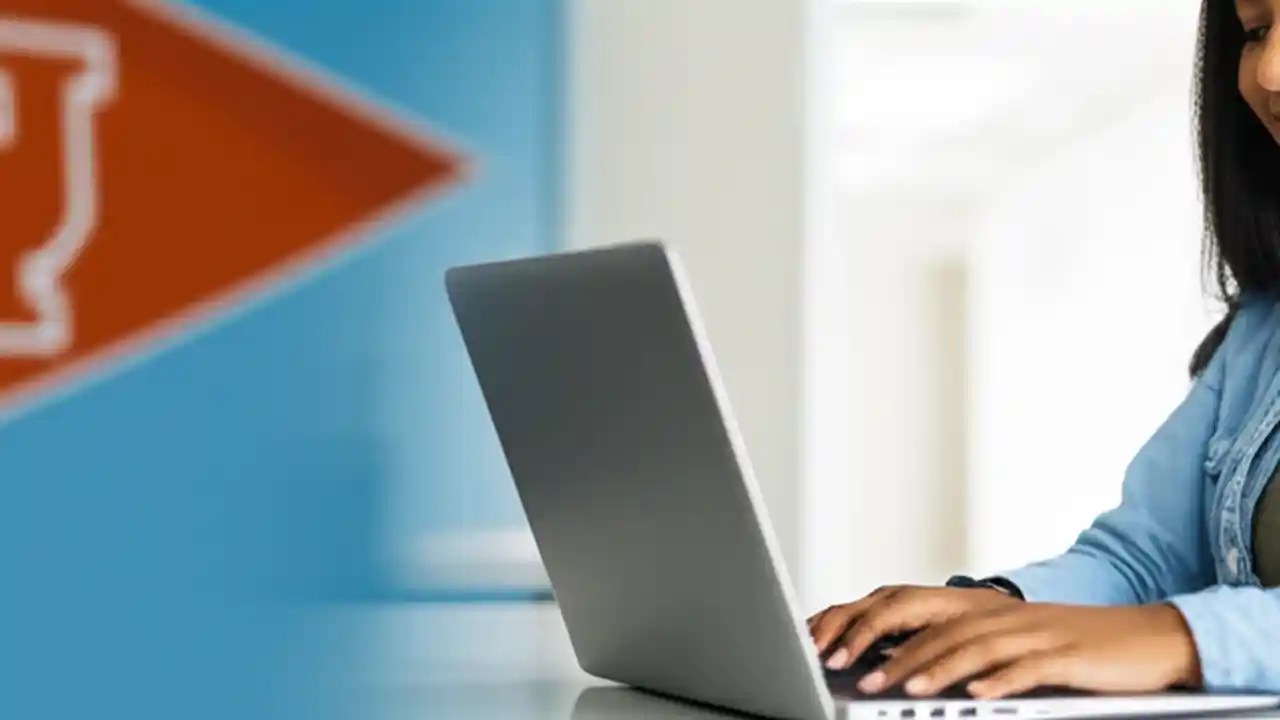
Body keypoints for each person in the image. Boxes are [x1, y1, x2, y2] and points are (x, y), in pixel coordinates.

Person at [808, 0, 1280, 699]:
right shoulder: (1263, 331)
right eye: (1255, 31)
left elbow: (1164, 615)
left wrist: (1181, 639)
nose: (1268, 71)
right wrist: (1001, 608)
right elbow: (1143, 562)